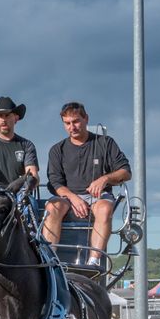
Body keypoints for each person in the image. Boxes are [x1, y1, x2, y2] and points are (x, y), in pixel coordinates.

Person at [43, 101, 131, 266]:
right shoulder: (57, 150)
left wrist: (104, 179)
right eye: (67, 123)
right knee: (51, 207)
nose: (72, 127)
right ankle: (50, 259)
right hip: (67, 198)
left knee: (105, 209)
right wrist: (73, 198)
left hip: (98, 197)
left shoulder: (105, 143)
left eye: (76, 121)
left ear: (86, 119)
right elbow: (54, 182)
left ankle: (93, 261)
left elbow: (125, 172)